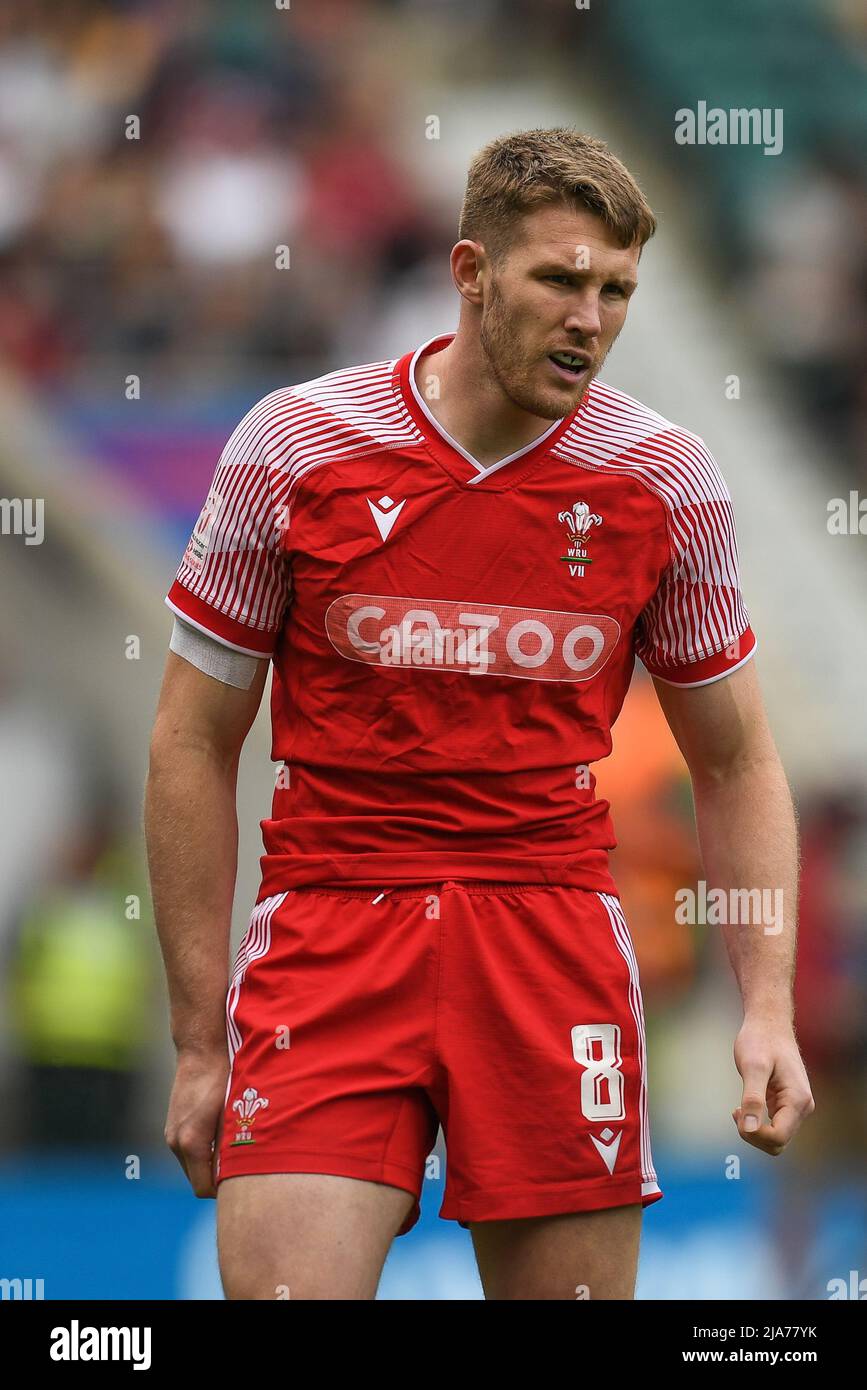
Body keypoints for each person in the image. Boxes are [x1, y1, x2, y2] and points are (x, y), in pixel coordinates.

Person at [144, 127, 814, 1300]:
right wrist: (201, 1038)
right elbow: (192, 741)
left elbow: (741, 760)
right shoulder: (296, 447)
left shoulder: (664, 481)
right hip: (332, 929)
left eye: (615, 290)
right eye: (560, 279)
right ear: (470, 273)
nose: (591, 319)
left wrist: (767, 1005)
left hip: (549, 938)